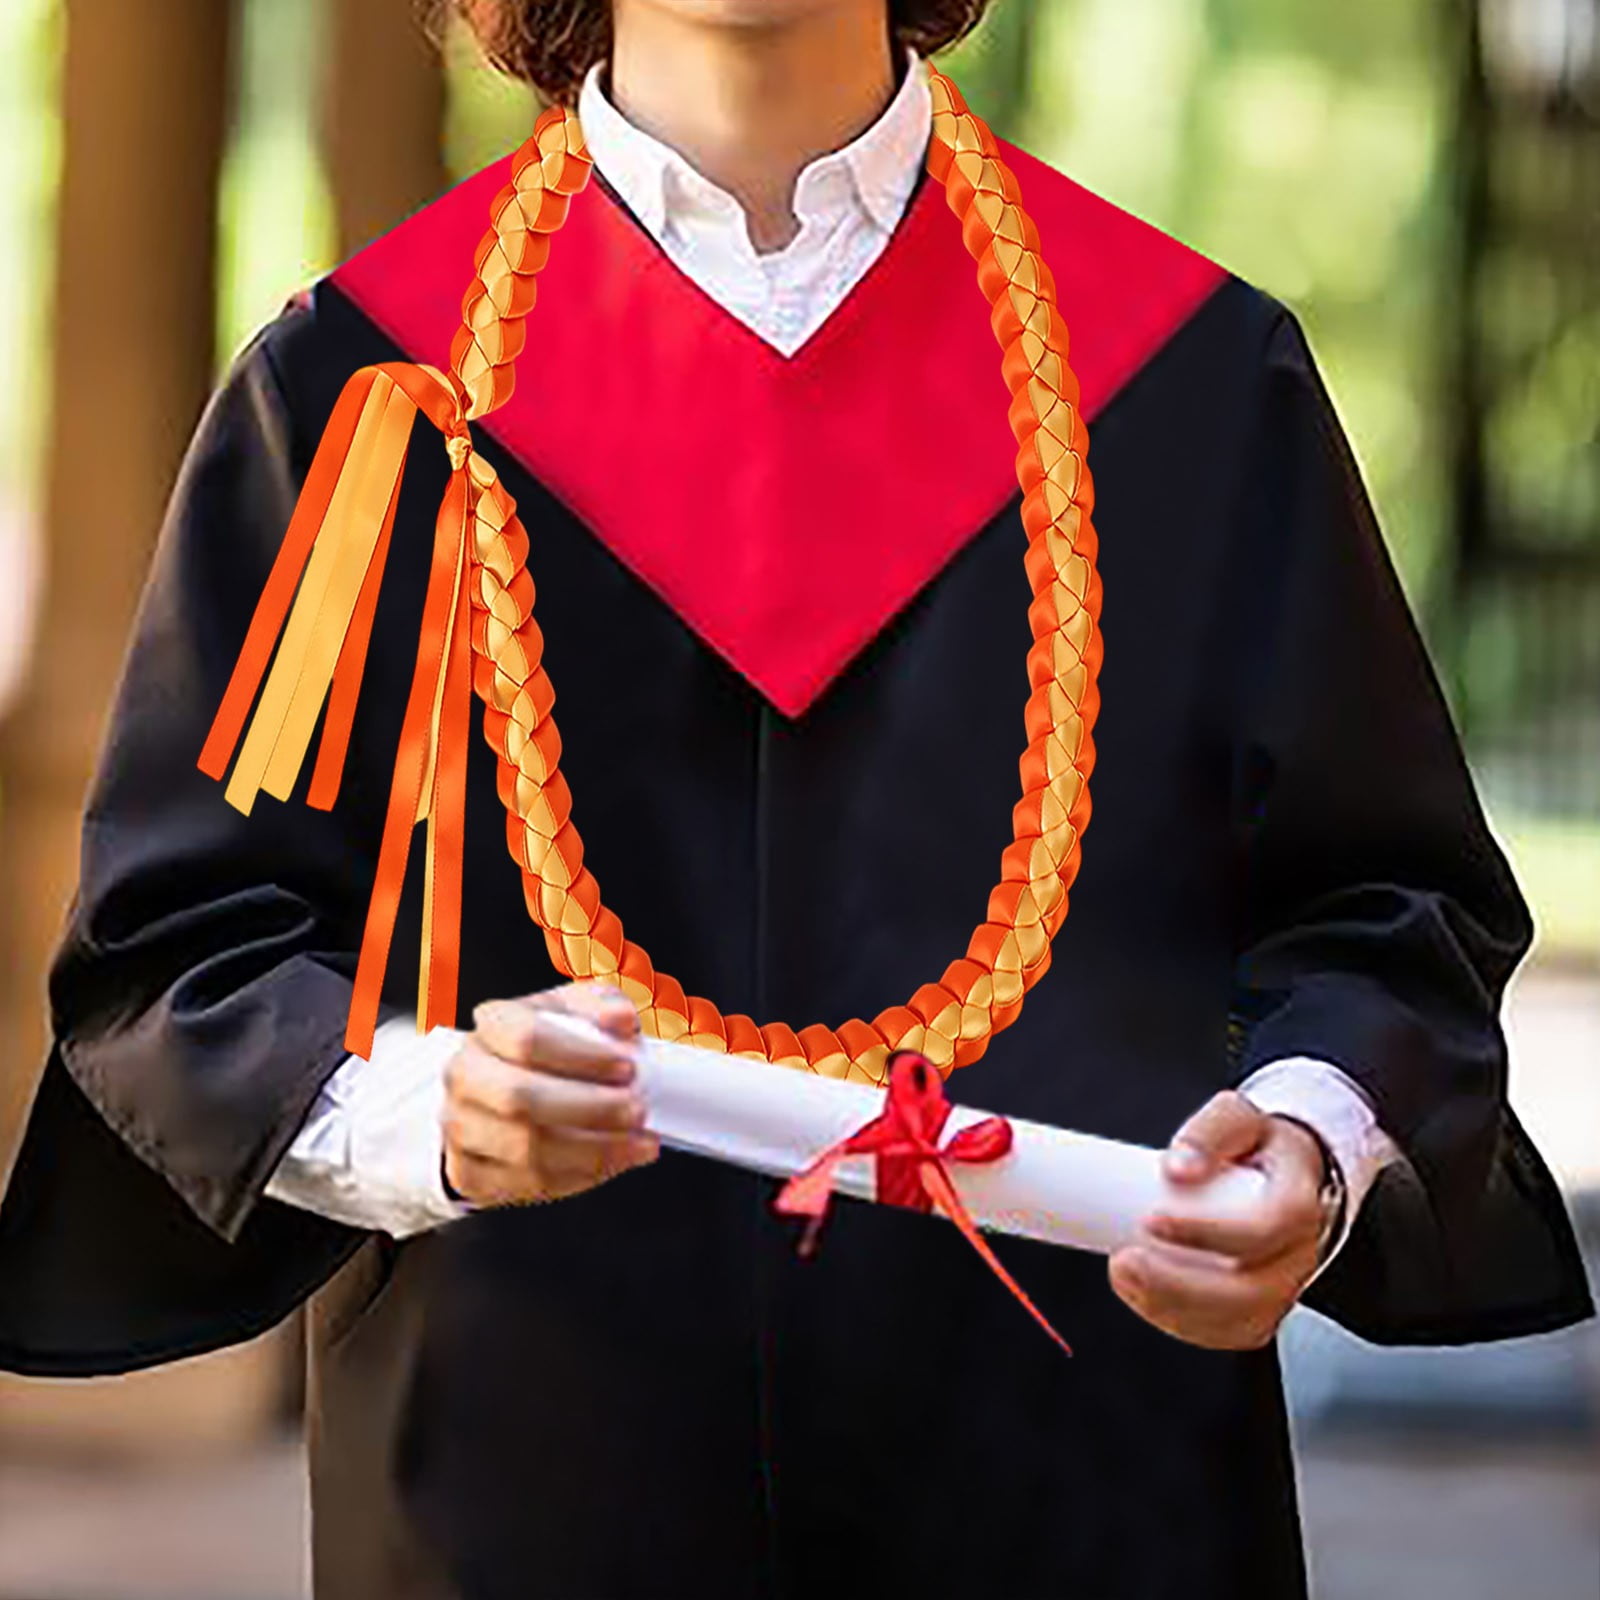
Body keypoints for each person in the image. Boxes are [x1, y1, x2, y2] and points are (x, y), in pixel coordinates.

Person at [0, 2, 1591, 1596]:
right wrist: (427, 1113)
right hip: (530, 1493)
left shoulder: (1184, 378)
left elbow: (1386, 909)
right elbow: (177, 954)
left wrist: (1309, 1148)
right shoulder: (362, 392)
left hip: (1088, 1486)